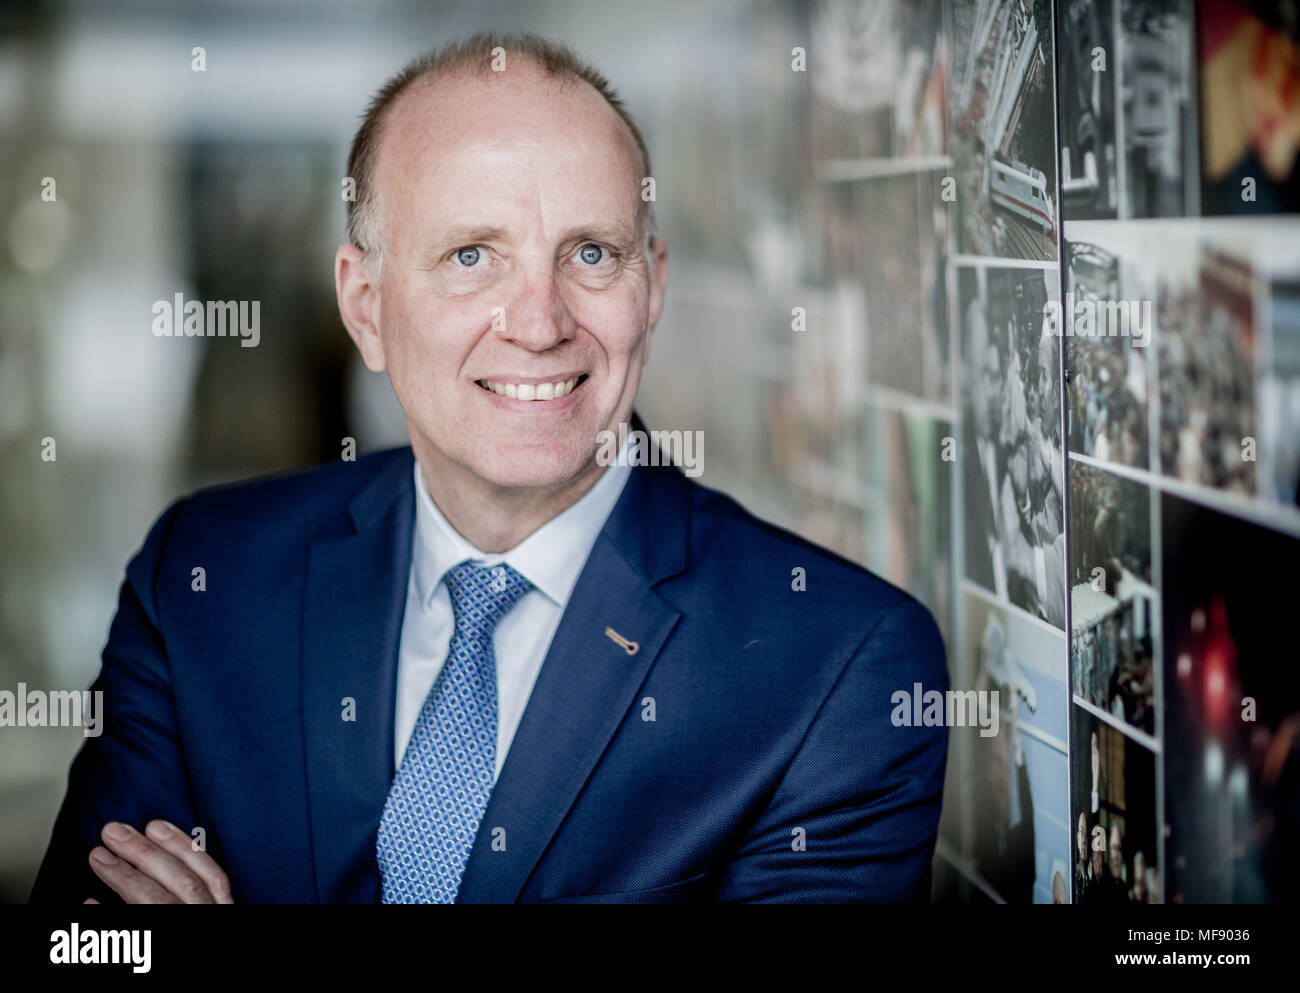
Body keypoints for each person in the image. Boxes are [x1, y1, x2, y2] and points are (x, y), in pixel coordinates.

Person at [30, 31, 948, 905]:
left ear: (653, 285)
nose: (540, 323)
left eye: (592, 253)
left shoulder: (838, 665)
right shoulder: (203, 578)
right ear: (364, 305)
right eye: (472, 257)